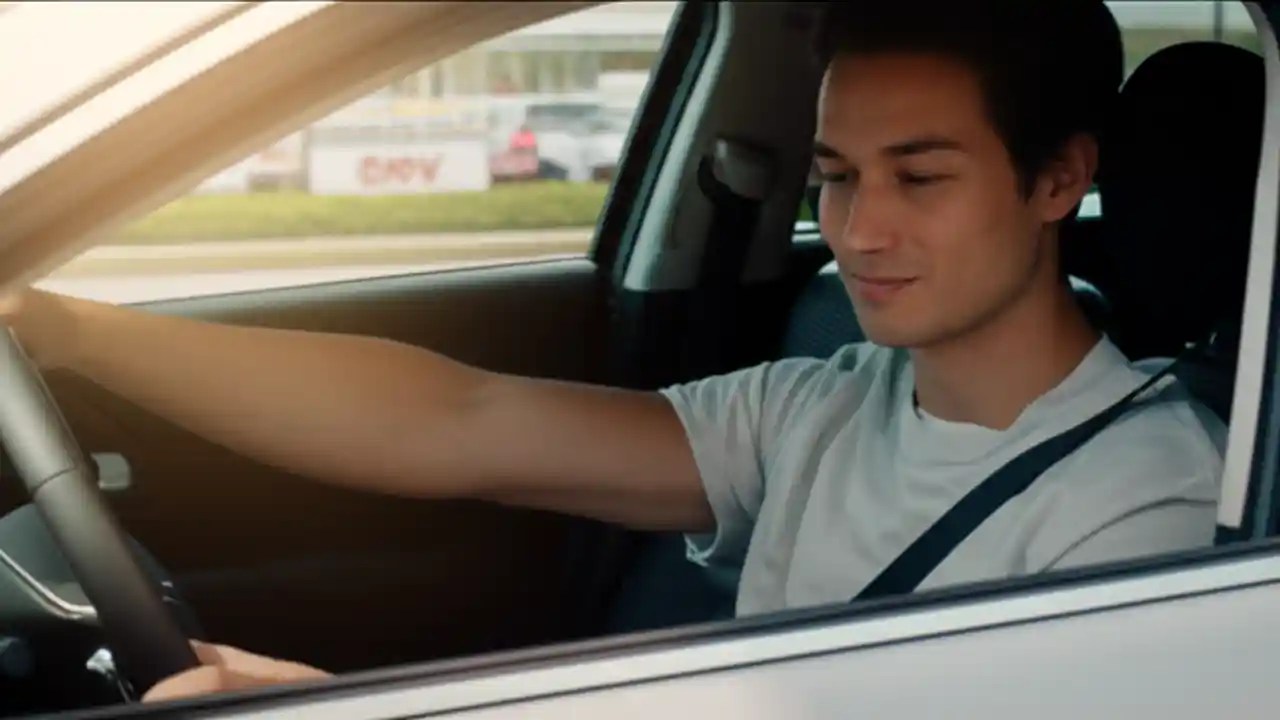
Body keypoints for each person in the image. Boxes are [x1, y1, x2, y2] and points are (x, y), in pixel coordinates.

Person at [0, 0, 1225, 701]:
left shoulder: (1145, 514)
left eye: (920, 175)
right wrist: (73, 330)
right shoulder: (829, 402)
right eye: (835, 179)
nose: (858, 231)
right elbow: (458, 422)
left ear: (1059, 177)